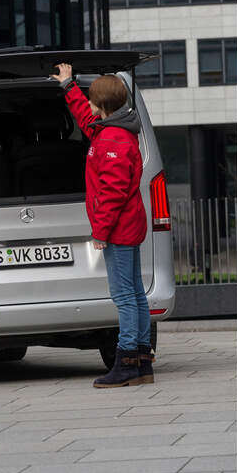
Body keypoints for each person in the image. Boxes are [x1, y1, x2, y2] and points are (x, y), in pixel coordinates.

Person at [49, 63, 155, 388]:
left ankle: (126, 363)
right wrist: (68, 86)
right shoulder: (111, 129)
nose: (90, 105)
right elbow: (85, 118)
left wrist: (100, 232)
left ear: (103, 105)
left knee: (123, 295)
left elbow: (113, 193)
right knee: (135, 292)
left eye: (93, 99)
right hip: (128, 225)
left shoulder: (113, 142)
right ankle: (141, 361)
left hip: (119, 229)